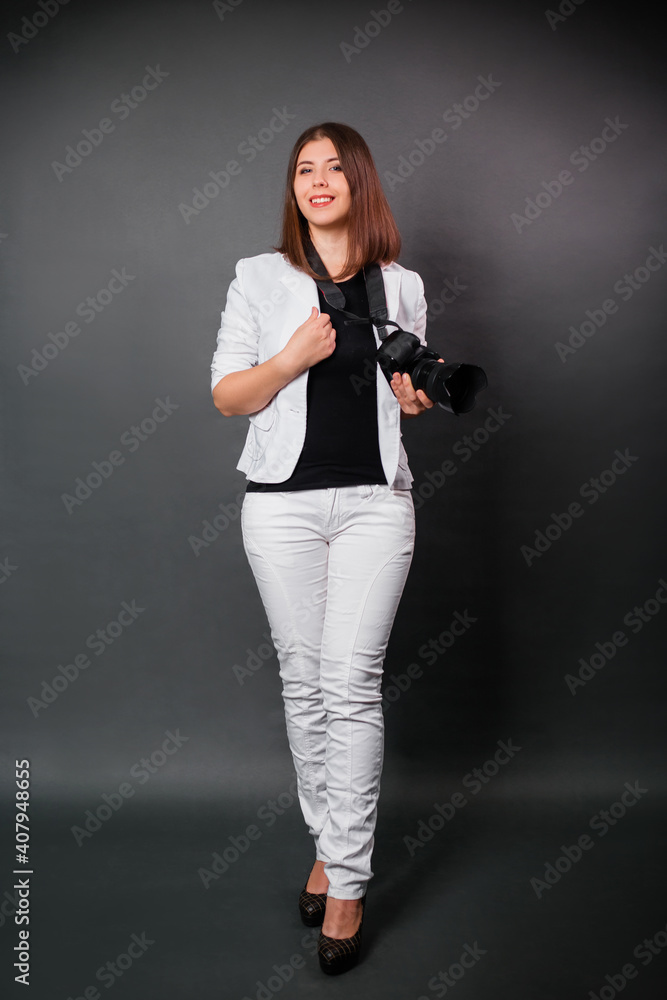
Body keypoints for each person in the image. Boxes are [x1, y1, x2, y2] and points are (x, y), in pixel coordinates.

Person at [210, 121, 441, 975]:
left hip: (375, 504)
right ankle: (328, 842)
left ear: (359, 183)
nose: (316, 180)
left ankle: (346, 881)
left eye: (333, 168)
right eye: (303, 168)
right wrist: (290, 359)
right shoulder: (259, 276)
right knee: (304, 685)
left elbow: (405, 393)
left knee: (350, 685)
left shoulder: (400, 285)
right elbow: (228, 396)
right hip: (282, 507)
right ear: (293, 189)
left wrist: (413, 400)